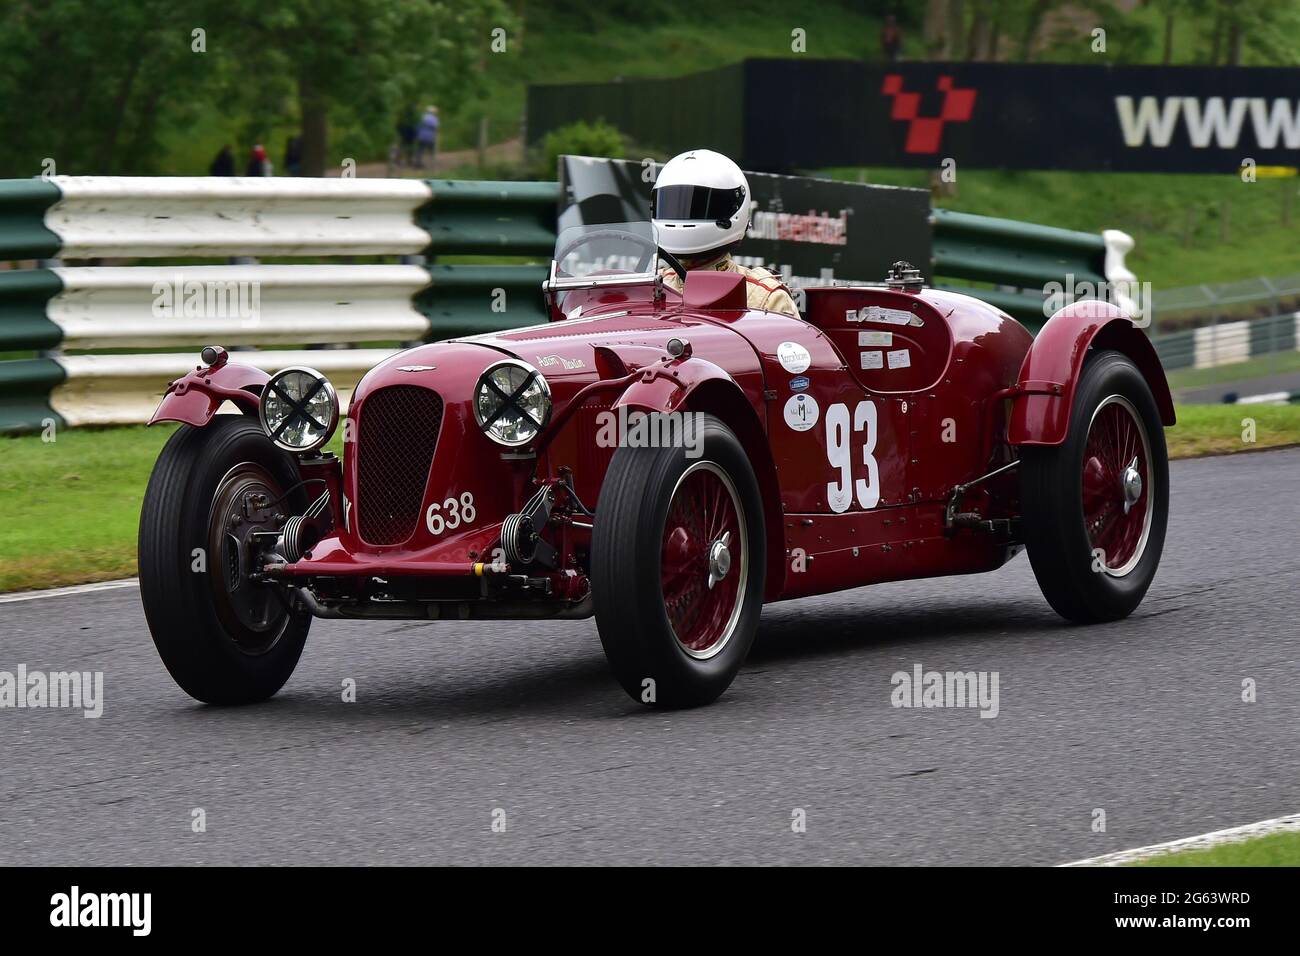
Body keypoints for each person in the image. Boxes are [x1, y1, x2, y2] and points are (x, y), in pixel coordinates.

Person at [650, 148, 799, 319]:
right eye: (673, 205)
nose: (682, 215)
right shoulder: (651, 285)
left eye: (699, 206)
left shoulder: (764, 298)